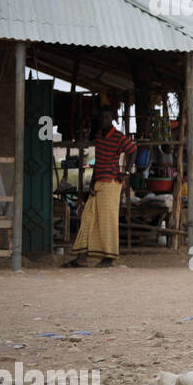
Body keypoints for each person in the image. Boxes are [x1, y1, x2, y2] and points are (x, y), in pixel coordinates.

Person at [63, 105, 137, 268]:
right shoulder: (99, 136)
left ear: (112, 119)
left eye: (107, 118)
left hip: (111, 184)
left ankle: (109, 258)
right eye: (102, 118)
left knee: (107, 221)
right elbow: (98, 162)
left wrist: (126, 172)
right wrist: (93, 182)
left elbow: (133, 149)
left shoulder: (118, 136)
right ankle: (82, 257)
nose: (104, 121)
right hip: (98, 183)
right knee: (88, 218)